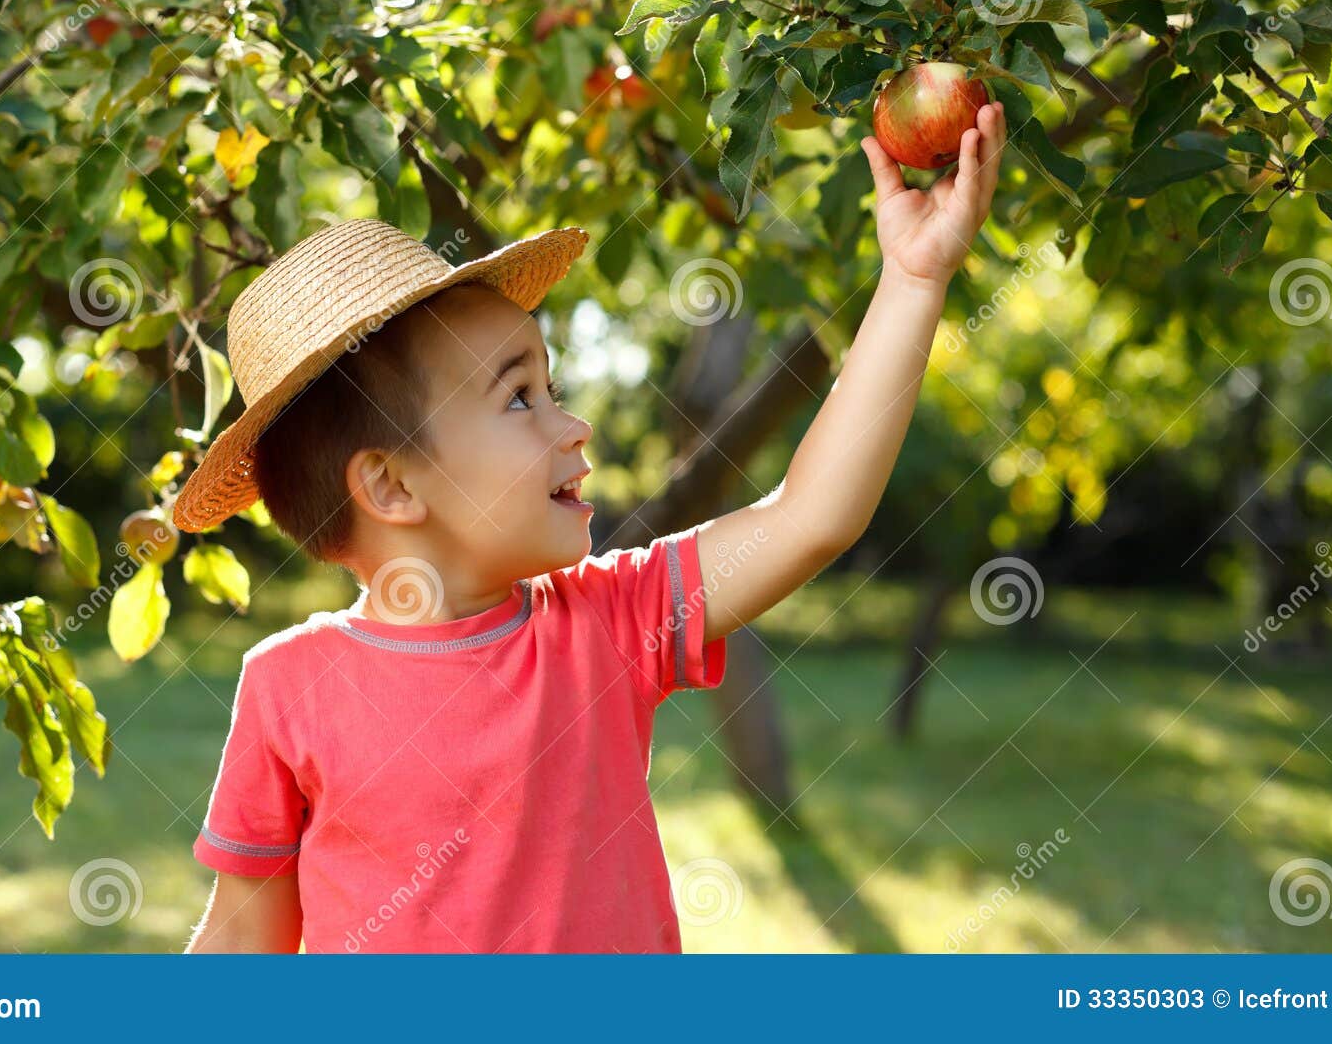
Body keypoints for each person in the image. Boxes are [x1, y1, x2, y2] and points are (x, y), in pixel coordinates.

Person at [179, 103, 1007, 953]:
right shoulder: (289, 689)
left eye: (553, 387)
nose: (574, 425)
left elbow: (810, 516)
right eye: (519, 398)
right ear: (390, 484)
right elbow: (245, 948)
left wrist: (911, 281)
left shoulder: (609, 622)